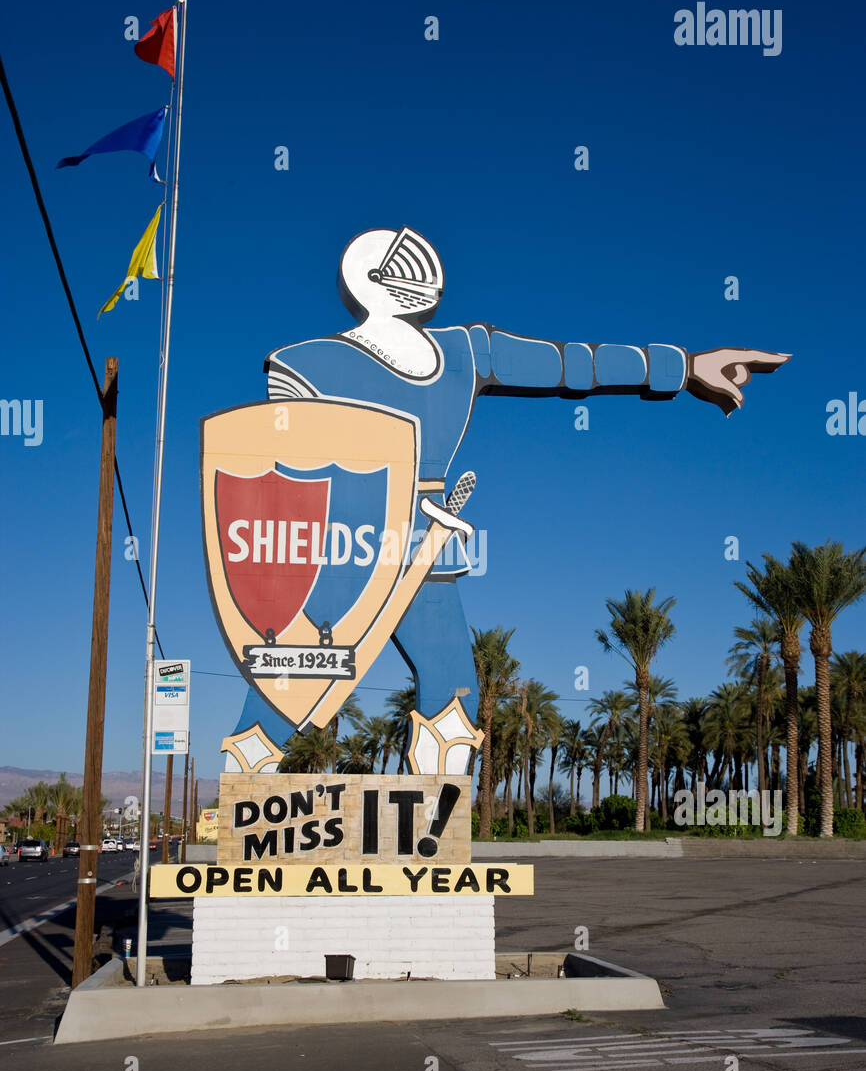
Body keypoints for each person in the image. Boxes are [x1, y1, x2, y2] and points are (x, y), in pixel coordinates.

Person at [226, 225, 787, 769]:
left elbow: (572, 364)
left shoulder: (465, 351)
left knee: (451, 691)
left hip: (425, 550)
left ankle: (429, 833)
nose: (422, 281)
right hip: (337, 552)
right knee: (289, 681)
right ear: (367, 281)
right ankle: (244, 816)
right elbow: (284, 475)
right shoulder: (303, 364)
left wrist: (685, 367)